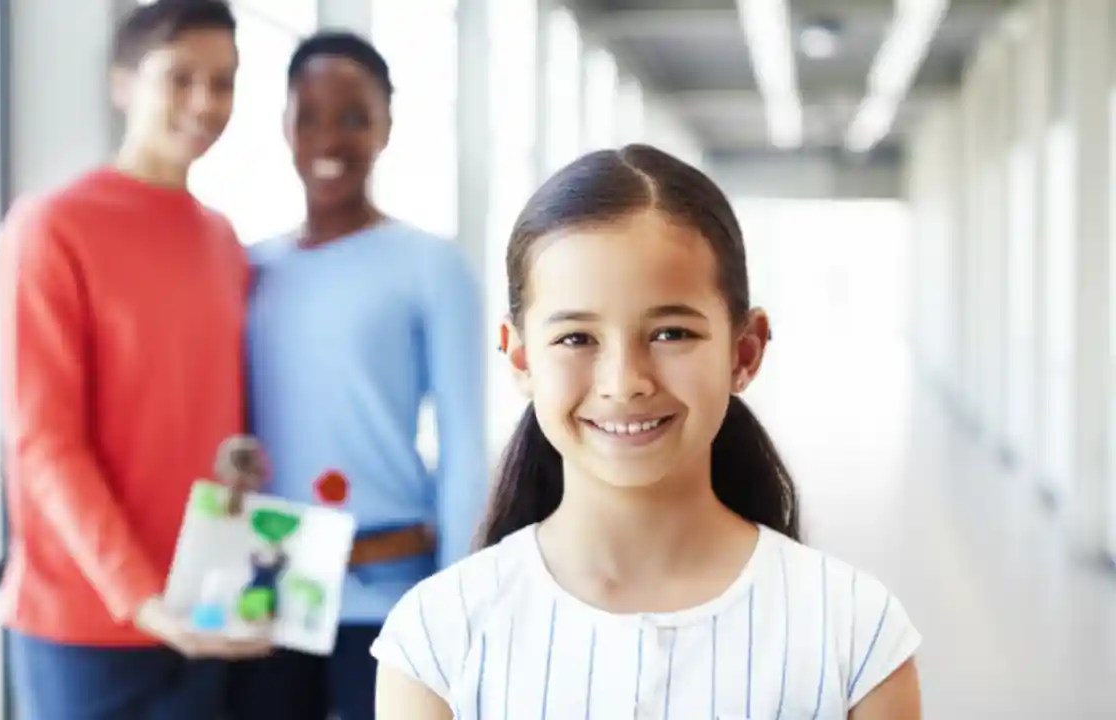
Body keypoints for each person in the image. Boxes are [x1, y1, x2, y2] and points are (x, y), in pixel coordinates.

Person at [370, 145, 923, 719]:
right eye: (576, 339)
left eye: (670, 334)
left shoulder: (854, 634)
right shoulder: (437, 637)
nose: (625, 382)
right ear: (520, 358)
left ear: (745, 350)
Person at [0, 2, 271, 717]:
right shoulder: (52, 225)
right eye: (179, 78)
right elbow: (44, 442)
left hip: (204, 612)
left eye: (224, 81)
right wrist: (143, 600)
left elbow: (207, 416)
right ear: (122, 82)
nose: (206, 102)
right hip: (86, 630)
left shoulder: (222, 239)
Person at [225, 31, 487, 720]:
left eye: (352, 116)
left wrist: (454, 601)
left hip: (390, 595)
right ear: (284, 125)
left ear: (386, 127)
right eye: (307, 115)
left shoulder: (431, 265)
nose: (328, 138)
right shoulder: (251, 269)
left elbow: (464, 446)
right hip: (267, 593)